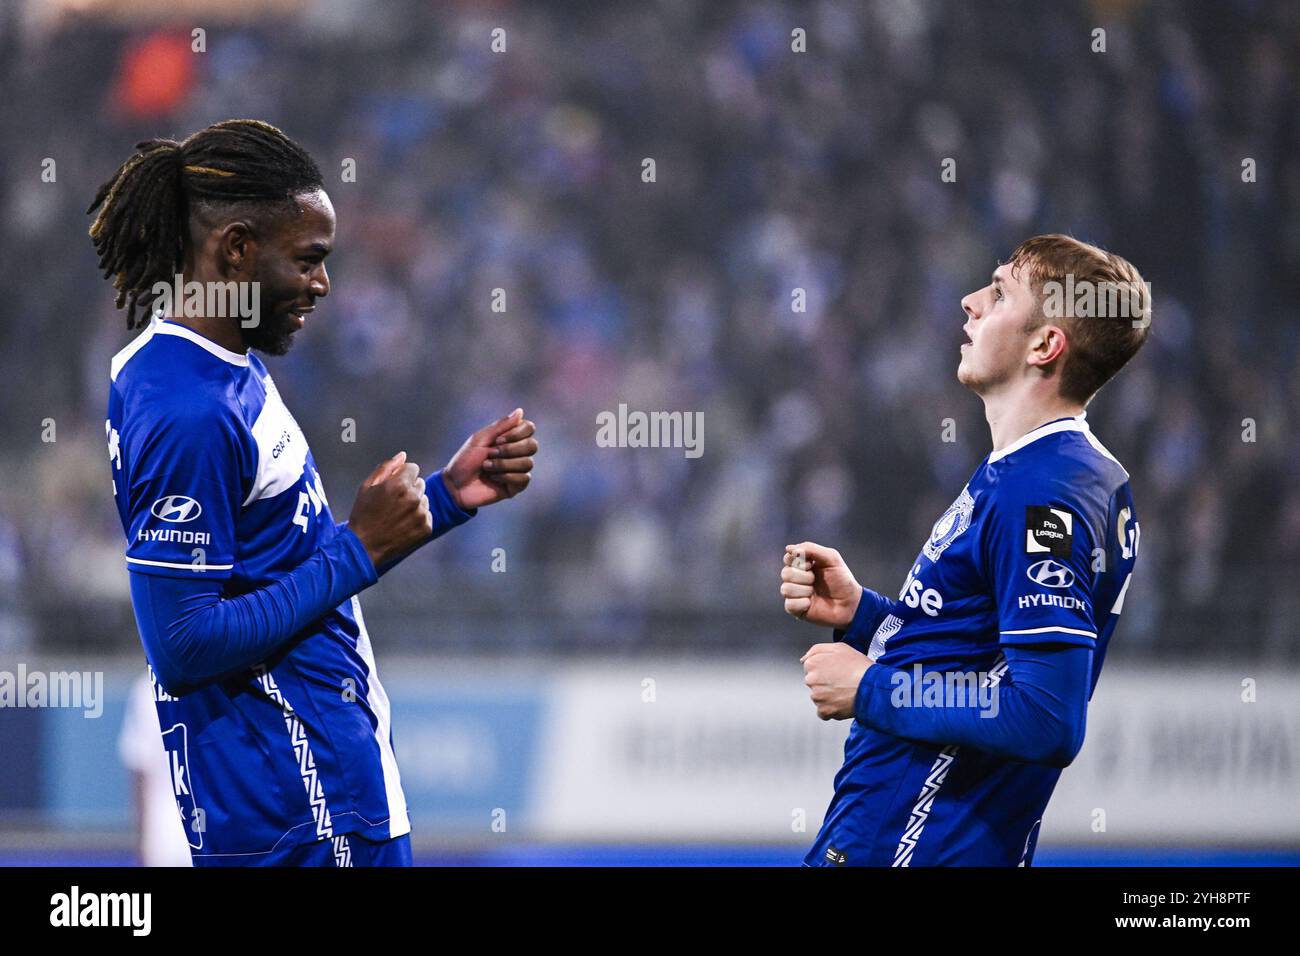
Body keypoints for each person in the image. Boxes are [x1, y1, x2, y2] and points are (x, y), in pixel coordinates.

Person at [92, 119, 537, 866]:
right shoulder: (189, 409)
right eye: (308, 260)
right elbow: (183, 644)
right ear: (236, 248)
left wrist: (446, 496)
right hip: (300, 805)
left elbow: (277, 562)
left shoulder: (211, 370)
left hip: (303, 797)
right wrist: (359, 547)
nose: (323, 285)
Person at [782, 235, 1148, 866]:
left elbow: (1044, 715)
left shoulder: (1046, 493)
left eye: (1000, 292)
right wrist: (865, 615)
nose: (971, 302)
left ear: (1044, 345)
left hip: (918, 847)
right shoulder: (1043, 470)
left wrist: (871, 688)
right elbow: (975, 650)